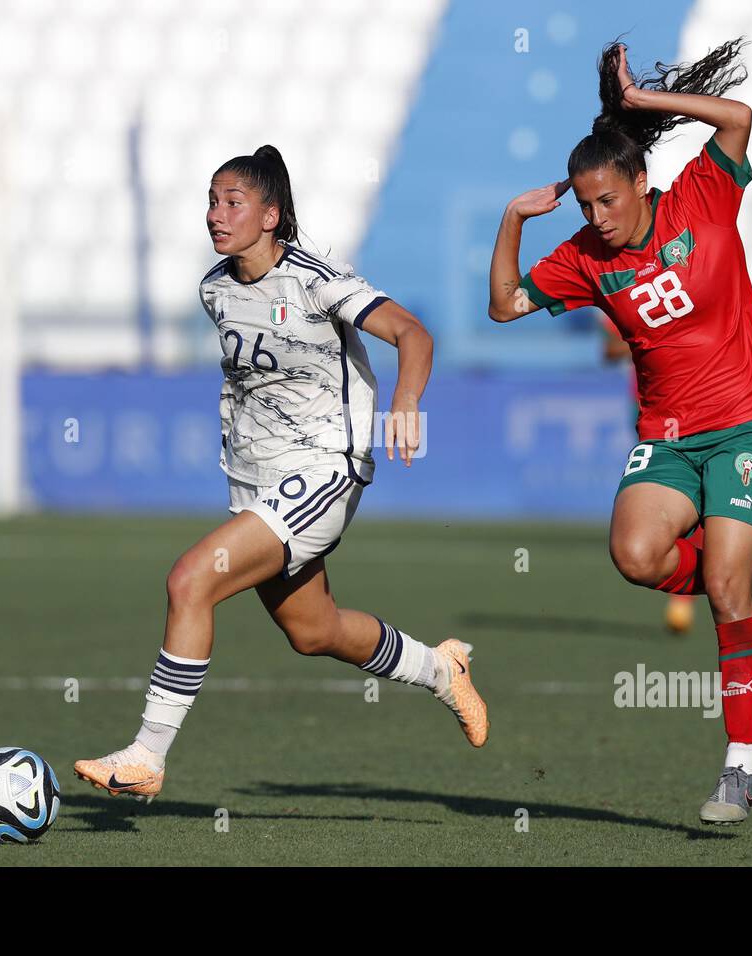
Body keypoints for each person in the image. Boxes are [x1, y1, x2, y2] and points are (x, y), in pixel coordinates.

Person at [75, 145, 488, 802]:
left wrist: (405, 403)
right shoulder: (215, 288)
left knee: (190, 580)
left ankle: (147, 755)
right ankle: (442, 668)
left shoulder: (316, 278)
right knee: (312, 630)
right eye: (212, 200)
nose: (216, 214)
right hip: (257, 482)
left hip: (327, 468)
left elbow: (413, 333)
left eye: (233, 201)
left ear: (271, 214)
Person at [488, 41, 752, 825]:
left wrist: (645, 103)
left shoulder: (701, 199)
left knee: (722, 590)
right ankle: (736, 578)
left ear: (640, 184)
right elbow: (506, 306)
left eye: (608, 202)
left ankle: (742, 766)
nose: (596, 217)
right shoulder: (586, 258)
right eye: (585, 205)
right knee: (635, 556)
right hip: (668, 437)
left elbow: (738, 117)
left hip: (746, 427)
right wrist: (512, 221)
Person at [600, 315, 698, 635]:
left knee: (700, 490)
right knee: (666, 488)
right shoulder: (626, 294)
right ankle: (703, 572)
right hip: (648, 407)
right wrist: (641, 341)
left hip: (695, 402)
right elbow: (609, 351)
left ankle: (689, 595)